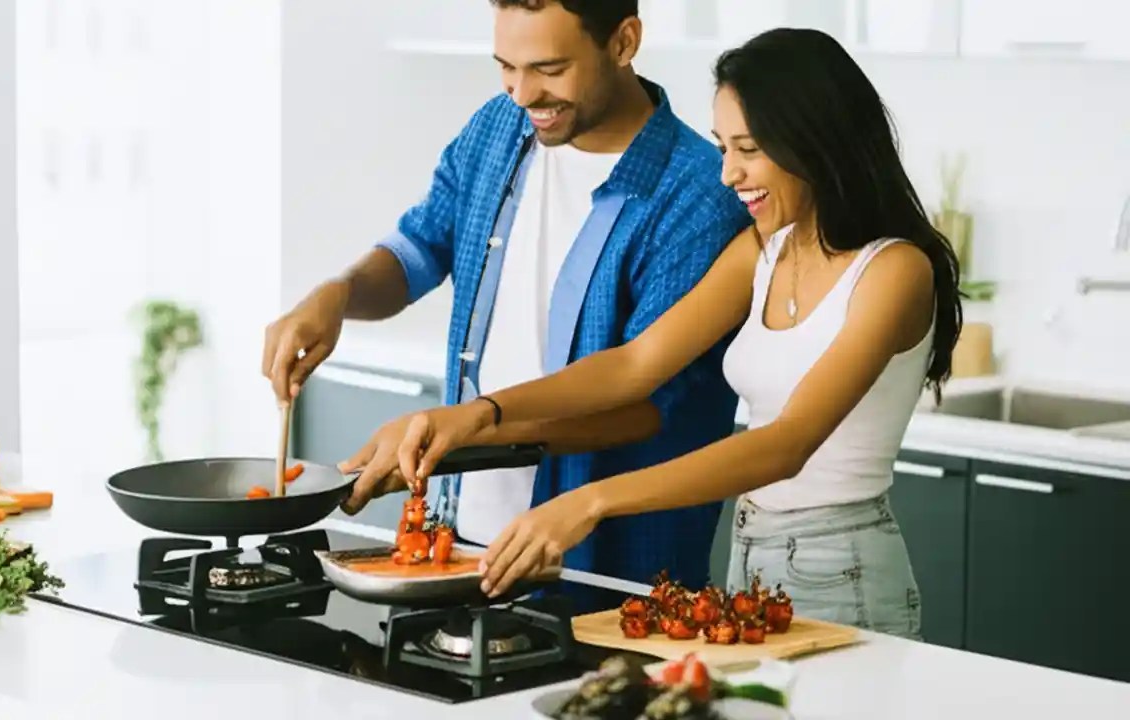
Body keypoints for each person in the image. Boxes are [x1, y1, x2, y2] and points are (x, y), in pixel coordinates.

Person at [392, 27, 964, 639]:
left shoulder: (895, 271)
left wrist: (591, 501)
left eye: (747, 149)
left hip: (843, 566)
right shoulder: (763, 250)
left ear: (815, 143)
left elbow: (786, 444)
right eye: (723, 147)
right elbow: (636, 364)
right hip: (751, 557)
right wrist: (481, 412)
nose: (727, 175)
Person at [261, 0, 751, 599]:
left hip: (603, 578)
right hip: (462, 548)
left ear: (624, 43)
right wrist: (337, 295)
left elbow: (643, 409)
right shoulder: (498, 128)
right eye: (506, 67)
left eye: (548, 68)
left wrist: (466, 429)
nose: (522, 93)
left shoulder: (699, 191)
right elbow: (419, 248)